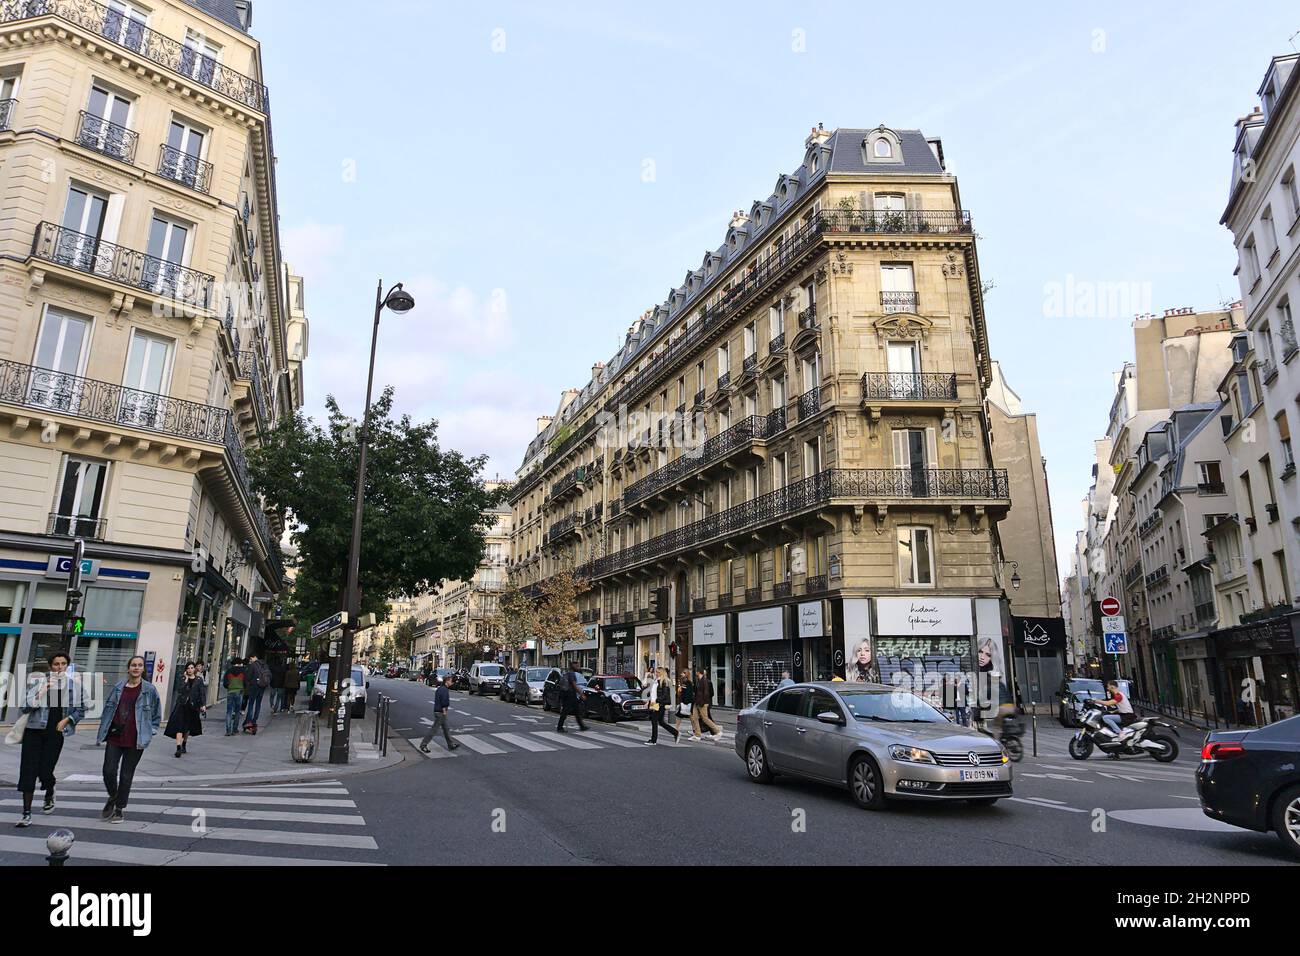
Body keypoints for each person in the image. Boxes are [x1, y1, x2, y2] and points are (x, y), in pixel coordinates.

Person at [14, 652, 84, 827]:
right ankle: (26, 813)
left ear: (67, 666)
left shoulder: (73, 687)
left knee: (45, 770)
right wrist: (42, 691)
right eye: (56, 664)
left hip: (55, 733)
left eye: (63, 664)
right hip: (34, 731)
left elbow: (80, 710)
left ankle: (50, 789)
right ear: (50, 666)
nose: (59, 667)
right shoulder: (38, 683)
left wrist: (68, 720)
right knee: (28, 772)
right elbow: (24, 707)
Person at [96, 656, 161, 824]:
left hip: (136, 738)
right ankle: (113, 796)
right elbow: (108, 710)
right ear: (128, 668)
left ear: (143, 670)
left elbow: (156, 714)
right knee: (108, 771)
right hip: (115, 736)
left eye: (139, 665)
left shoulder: (149, 690)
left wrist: (150, 731)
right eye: (133, 665)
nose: (136, 668)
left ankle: (119, 809)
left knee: (126, 775)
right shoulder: (118, 687)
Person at [163, 662, 205, 757]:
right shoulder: (182, 679)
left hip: (193, 706)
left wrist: (203, 705)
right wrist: (185, 680)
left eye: (192, 668)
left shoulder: (199, 680)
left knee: (187, 727)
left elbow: (202, 693)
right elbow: (180, 690)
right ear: (186, 669)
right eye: (188, 668)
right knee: (179, 726)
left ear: (194, 669)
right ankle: (178, 747)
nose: (190, 670)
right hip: (181, 705)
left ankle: (184, 743)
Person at [419, 675, 459, 753]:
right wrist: (444, 711)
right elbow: (444, 701)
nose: (452, 683)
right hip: (440, 713)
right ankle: (423, 745)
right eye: (451, 681)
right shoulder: (444, 690)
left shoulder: (440, 689)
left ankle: (450, 744)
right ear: (447, 681)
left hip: (438, 711)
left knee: (446, 729)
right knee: (434, 730)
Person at [644, 667, 679, 745]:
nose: (656, 673)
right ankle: (676, 733)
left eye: (658, 672)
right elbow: (653, 693)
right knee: (660, 722)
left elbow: (664, 695)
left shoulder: (664, 682)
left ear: (662, 673)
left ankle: (653, 741)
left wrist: (655, 701)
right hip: (655, 703)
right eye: (656, 672)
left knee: (654, 721)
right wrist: (649, 701)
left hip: (659, 704)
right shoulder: (656, 681)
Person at [691, 667, 724, 741]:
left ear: (699, 672)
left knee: (705, 718)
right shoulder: (698, 680)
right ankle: (697, 734)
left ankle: (718, 731)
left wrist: (703, 703)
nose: (695, 673)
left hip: (702, 703)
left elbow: (706, 693)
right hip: (697, 702)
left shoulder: (704, 681)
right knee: (694, 717)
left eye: (696, 672)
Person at [555, 661, 587, 733]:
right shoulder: (571, 674)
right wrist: (581, 694)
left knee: (577, 710)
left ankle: (582, 726)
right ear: (573, 666)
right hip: (569, 695)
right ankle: (559, 727)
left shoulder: (567, 673)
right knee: (565, 711)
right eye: (577, 665)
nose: (579, 667)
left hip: (569, 694)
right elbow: (574, 685)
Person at [222, 657, 247, 736]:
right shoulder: (243, 671)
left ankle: (228, 730)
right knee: (237, 711)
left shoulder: (229, 671)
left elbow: (225, 683)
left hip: (230, 692)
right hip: (239, 692)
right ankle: (235, 729)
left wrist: (229, 687)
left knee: (229, 711)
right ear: (240, 663)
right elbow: (246, 682)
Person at [244, 653, 270, 729]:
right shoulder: (265, 665)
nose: (250, 661)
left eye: (251, 659)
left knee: (251, 704)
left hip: (254, 687)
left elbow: (248, 677)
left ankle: (249, 720)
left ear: (254, 657)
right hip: (262, 687)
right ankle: (254, 720)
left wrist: (248, 684)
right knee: (258, 704)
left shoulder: (253, 665)